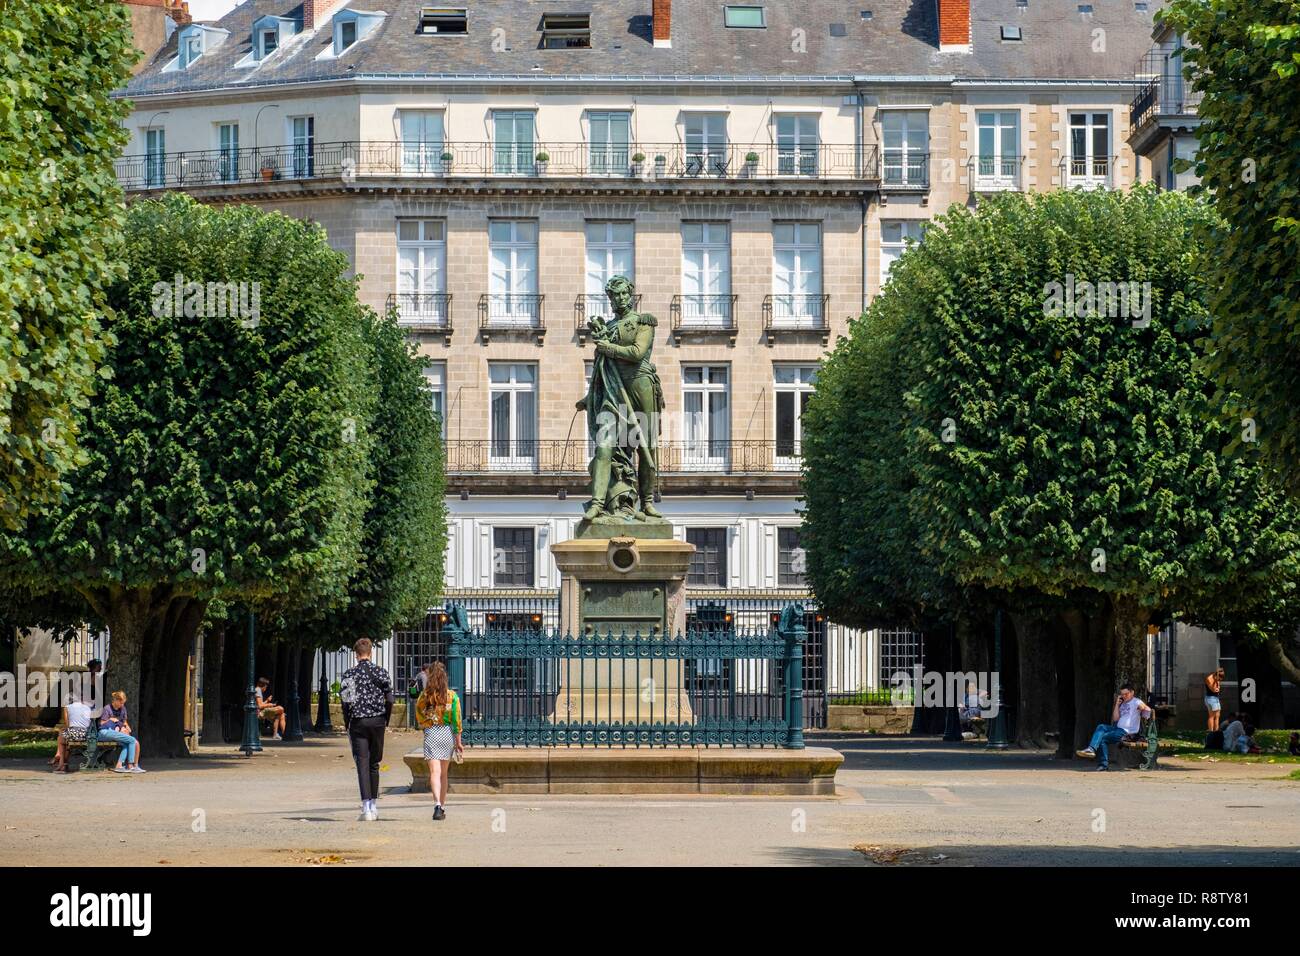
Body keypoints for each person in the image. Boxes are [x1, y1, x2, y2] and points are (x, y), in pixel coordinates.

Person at [340, 638, 393, 822]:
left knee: (362, 763)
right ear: (370, 653)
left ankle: (366, 807)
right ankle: (374, 805)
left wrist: (347, 723)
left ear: (356, 655)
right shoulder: (381, 672)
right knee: (374, 763)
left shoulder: (349, 674)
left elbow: (346, 702)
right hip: (378, 720)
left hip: (359, 722)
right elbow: (390, 699)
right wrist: (385, 718)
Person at [415, 662, 463, 821]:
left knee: (434, 772)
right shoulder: (451, 696)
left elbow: (419, 714)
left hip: (431, 733)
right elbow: (457, 721)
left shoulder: (425, 696)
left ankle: (436, 804)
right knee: (443, 773)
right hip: (447, 734)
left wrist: (426, 725)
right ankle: (442, 807)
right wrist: (458, 742)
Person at [1076, 683, 1153, 770]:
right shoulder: (1122, 703)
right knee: (1101, 727)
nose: (1124, 696)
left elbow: (1148, 710)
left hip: (1127, 732)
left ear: (1132, 692)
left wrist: (1142, 708)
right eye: (1122, 694)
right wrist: (1117, 704)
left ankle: (1103, 764)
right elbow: (1115, 719)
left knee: (1103, 738)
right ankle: (1091, 749)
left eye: (1126, 694)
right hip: (1117, 729)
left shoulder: (1136, 701)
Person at [97, 690, 145, 774]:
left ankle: (119, 766)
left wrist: (126, 727)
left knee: (128, 743)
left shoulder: (122, 709)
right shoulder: (107, 708)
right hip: (105, 732)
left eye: (123, 703)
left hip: (117, 733)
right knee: (132, 740)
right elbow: (102, 724)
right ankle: (130, 766)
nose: (122, 705)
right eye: (121, 703)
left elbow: (124, 722)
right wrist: (111, 720)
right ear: (115, 700)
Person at [50, 693, 94, 773]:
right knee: (66, 739)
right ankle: (63, 765)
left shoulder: (67, 707)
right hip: (86, 734)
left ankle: (61, 763)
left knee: (61, 739)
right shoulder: (87, 708)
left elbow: (68, 724)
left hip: (74, 733)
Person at [1204, 668, 1224, 732]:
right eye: (1219, 679)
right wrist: (1216, 683)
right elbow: (1213, 690)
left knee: (1217, 715)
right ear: (1217, 676)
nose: (1219, 681)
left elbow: (1218, 688)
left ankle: (1214, 731)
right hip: (1211, 698)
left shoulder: (1216, 678)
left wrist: (1218, 686)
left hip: (1214, 698)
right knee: (1212, 716)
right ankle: (1212, 731)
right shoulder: (1209, 679)